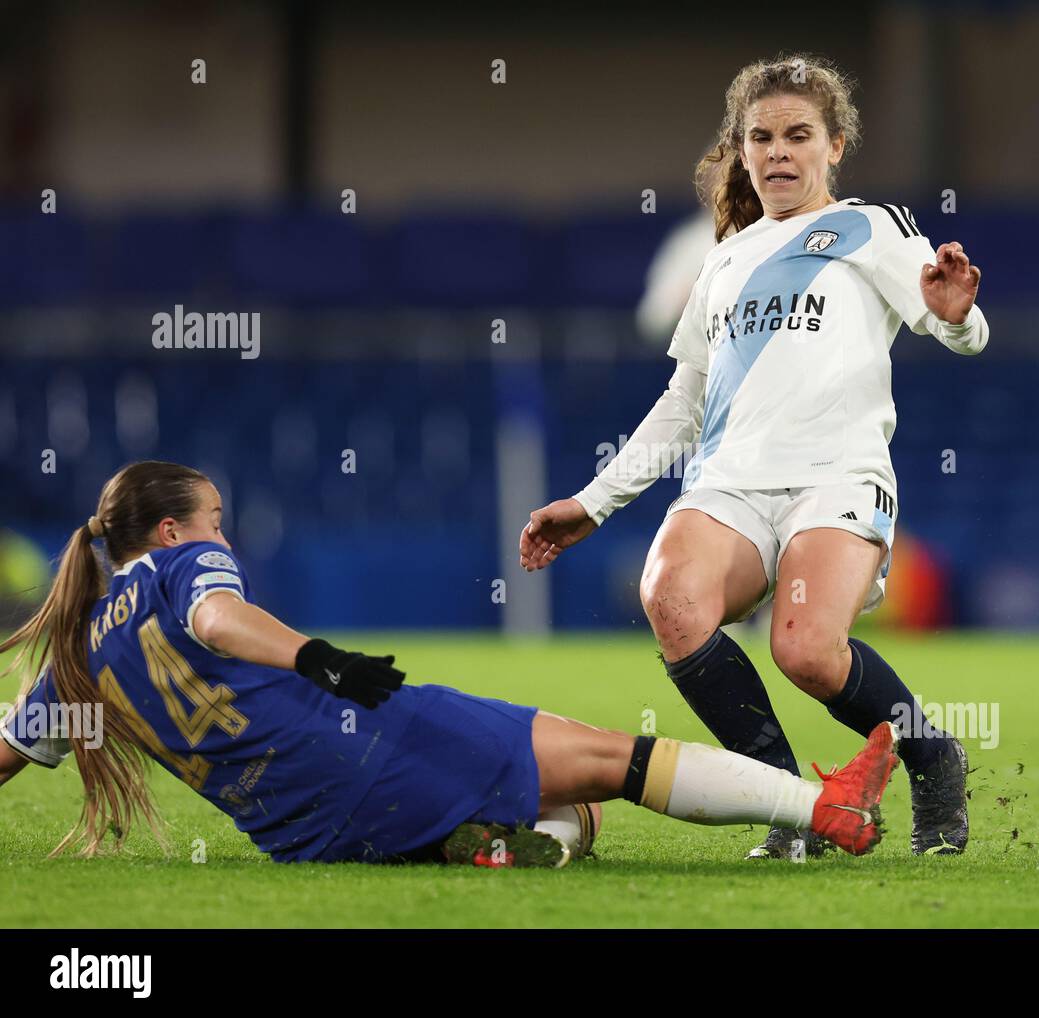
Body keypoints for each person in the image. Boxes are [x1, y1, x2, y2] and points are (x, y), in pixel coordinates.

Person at [520, 54, 986, 859]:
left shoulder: (871, 227)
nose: (778, 152)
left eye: (798, 135)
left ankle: (931, 755)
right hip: (731, 482)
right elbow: (684, 402)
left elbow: (958, 328)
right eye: (761, 137)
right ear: (742, 149)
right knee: (670, 598)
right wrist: (593, 503)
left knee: (803, 651)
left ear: (834, 145)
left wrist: (956, 317)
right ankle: (789, 805)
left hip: (835, 477)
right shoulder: (723, 260)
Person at [0, 460, 900, 867]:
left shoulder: (77, 658)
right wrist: (322, 660)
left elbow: (4, 754)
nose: (220, 537)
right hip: (359, 742)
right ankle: (822, 807)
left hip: (300, 837)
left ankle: (494, 849)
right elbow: (219, 618)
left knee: (565, 812)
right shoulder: (179, 567)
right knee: (608, 763)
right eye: (214, 521)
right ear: (169, 530)